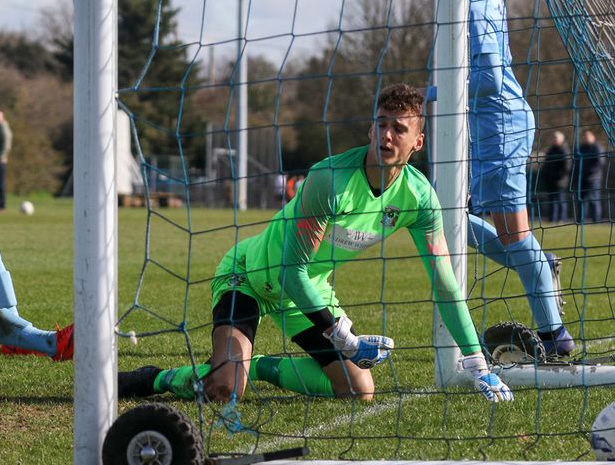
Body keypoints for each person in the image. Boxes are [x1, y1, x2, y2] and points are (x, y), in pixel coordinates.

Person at [120, 85, 511, 404]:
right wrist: (342, 333)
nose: (387, 134)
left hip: (308, 292)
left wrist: (477, 362)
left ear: (418, 142)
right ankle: (159, 378)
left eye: (399, 128)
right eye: (381, 124)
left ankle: (254, 366)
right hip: (250, 277)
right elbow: (291, 272)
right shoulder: (330, 179)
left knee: (359, 391)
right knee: (224, 391)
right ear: (370, 131)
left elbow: (444, 283)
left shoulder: (420, 198)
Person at [407, 0, 572, 356]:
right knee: (444, 212)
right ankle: (538, 265)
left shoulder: (473, 2)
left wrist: (431, 94)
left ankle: (555, 335)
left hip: (498, 127)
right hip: (484, 129)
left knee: (514, 235)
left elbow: (490, 79)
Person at [535, 131, 571, 223]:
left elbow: (567, 166)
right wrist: (545, 176)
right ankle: (552, 218)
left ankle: (562, 218)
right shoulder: (551, 150)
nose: (554, 140)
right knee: (551, 200)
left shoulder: (564, 150)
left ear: (561, 139)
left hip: (559, 181)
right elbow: (546, 165)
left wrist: (558, 177)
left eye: (556, 138)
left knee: (560, 200)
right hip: (549, 181)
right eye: (553, 138)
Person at [574, 129, 605, 223]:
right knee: (581, 199)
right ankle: (581, 220)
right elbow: (576, 162)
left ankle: (596, 220)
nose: (586, 138)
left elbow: (600, 162)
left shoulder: (597, 148)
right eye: (584, 136)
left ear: (593, 137)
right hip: (581, 178)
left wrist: (589, 172)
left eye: (588, 136)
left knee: (594, 199)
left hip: (593, 178)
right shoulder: (581, 148)